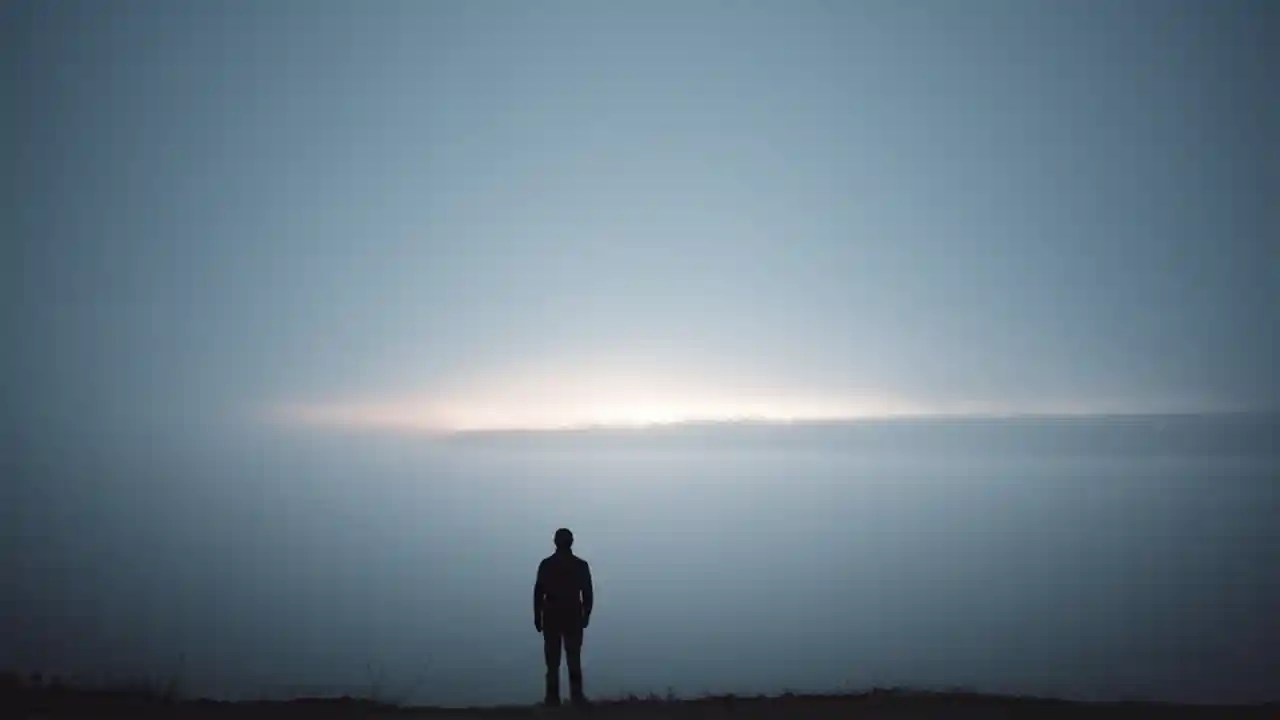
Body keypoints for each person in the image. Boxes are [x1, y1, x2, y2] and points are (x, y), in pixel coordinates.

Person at [534, 528, 593, 706]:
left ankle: (553, 698)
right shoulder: (580, 565)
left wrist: (538, 615)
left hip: (554, 614)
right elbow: (588, 593)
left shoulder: (547, 564)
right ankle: (575, 697)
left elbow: (538, 592)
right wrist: (586, 614)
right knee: (572, 658)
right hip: (571, 614)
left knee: (553, 661)